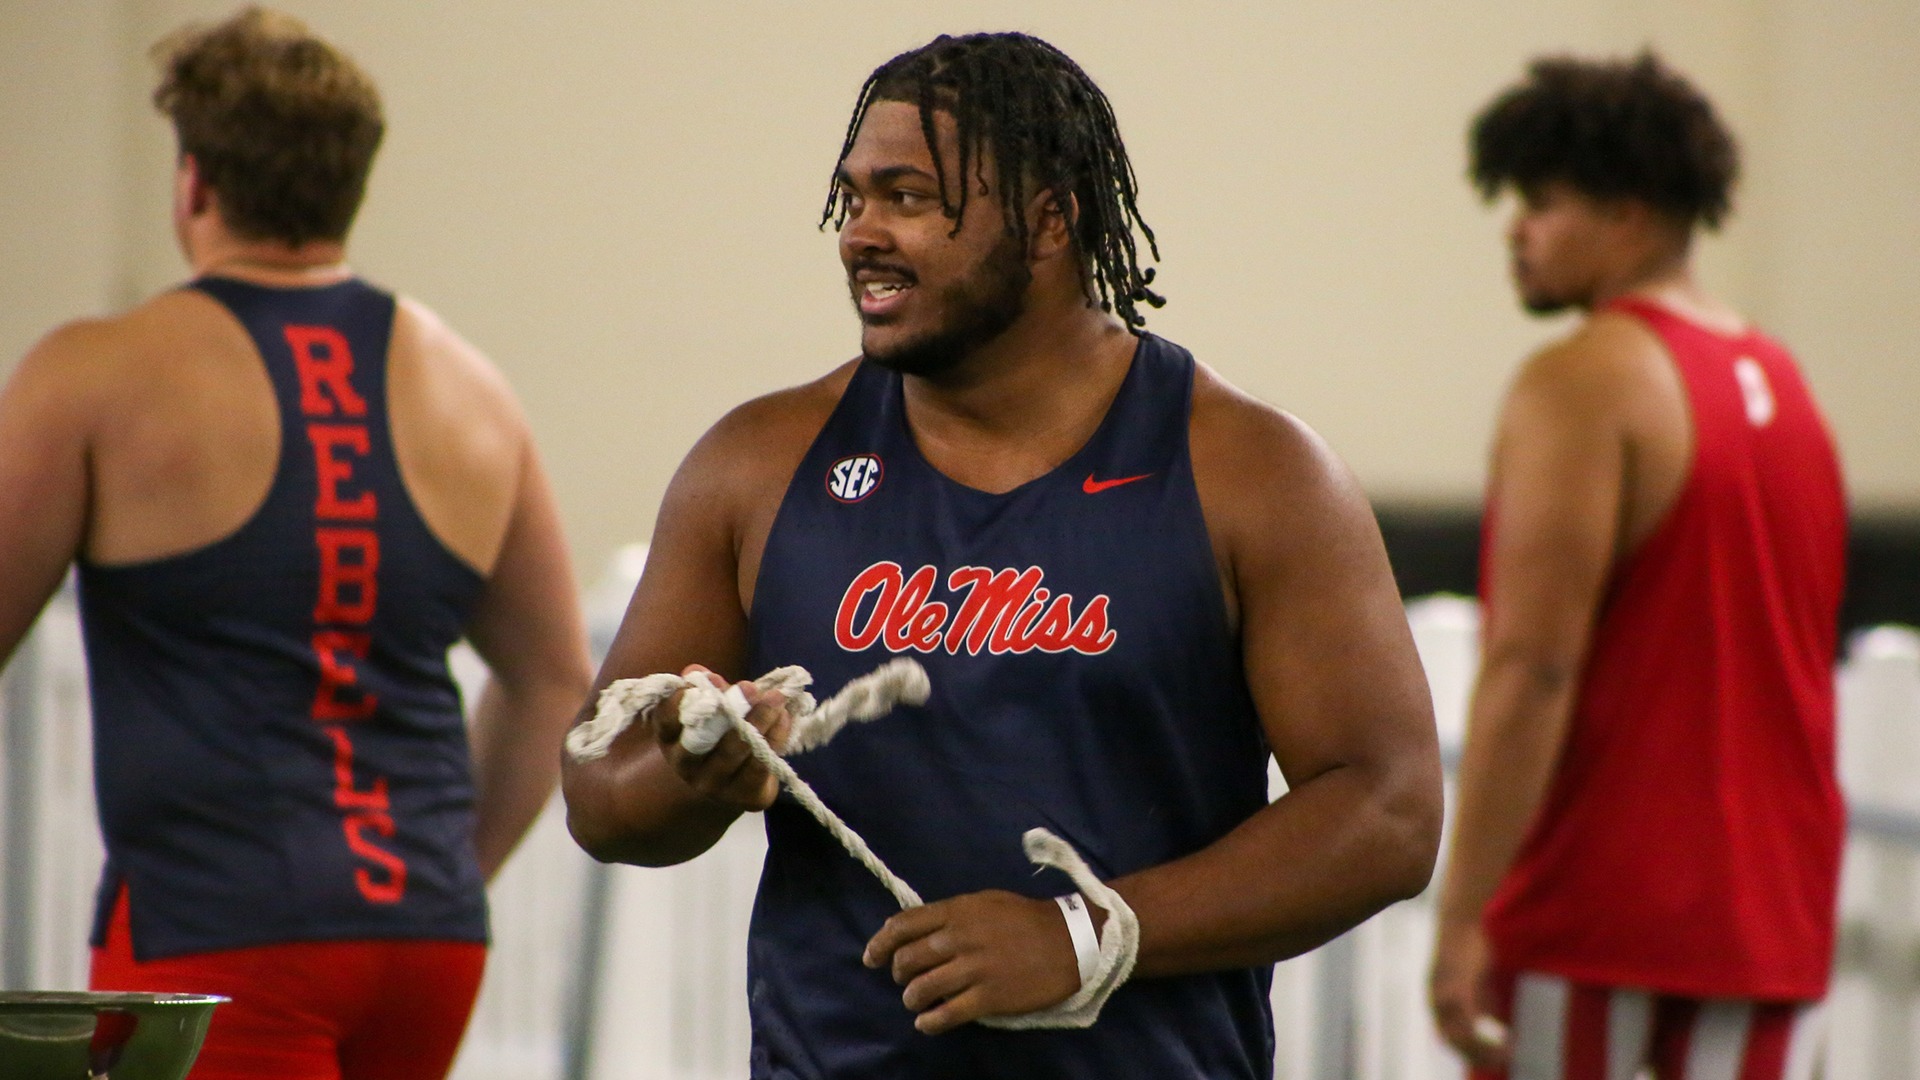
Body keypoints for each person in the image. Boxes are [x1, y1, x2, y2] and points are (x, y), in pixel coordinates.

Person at [562, 31, 1441, 1079]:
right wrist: (688, 768)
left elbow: (1387, 809)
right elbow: (600, 798)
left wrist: (1085, 936)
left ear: (1050, 220)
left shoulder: (1252, 470)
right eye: (853, 199)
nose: (862, 235)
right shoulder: (754, 465)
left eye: (910, 197)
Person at [0, 8, 593, 1079]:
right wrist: (438, 875)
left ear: (193, 183)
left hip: (217, 940)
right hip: (427, 939)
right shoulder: (473, 391)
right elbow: (556, 679)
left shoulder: (95, 374)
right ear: (349, 186)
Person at [1428, 53, 1846, 1079]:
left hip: (1597, 904)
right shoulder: (1786, 387)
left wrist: (1464, 914)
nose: (1516, 230)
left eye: (1542, 201)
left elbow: (1532, 666)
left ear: (1626, 211)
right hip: (1769, 916)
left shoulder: (1583, 379)